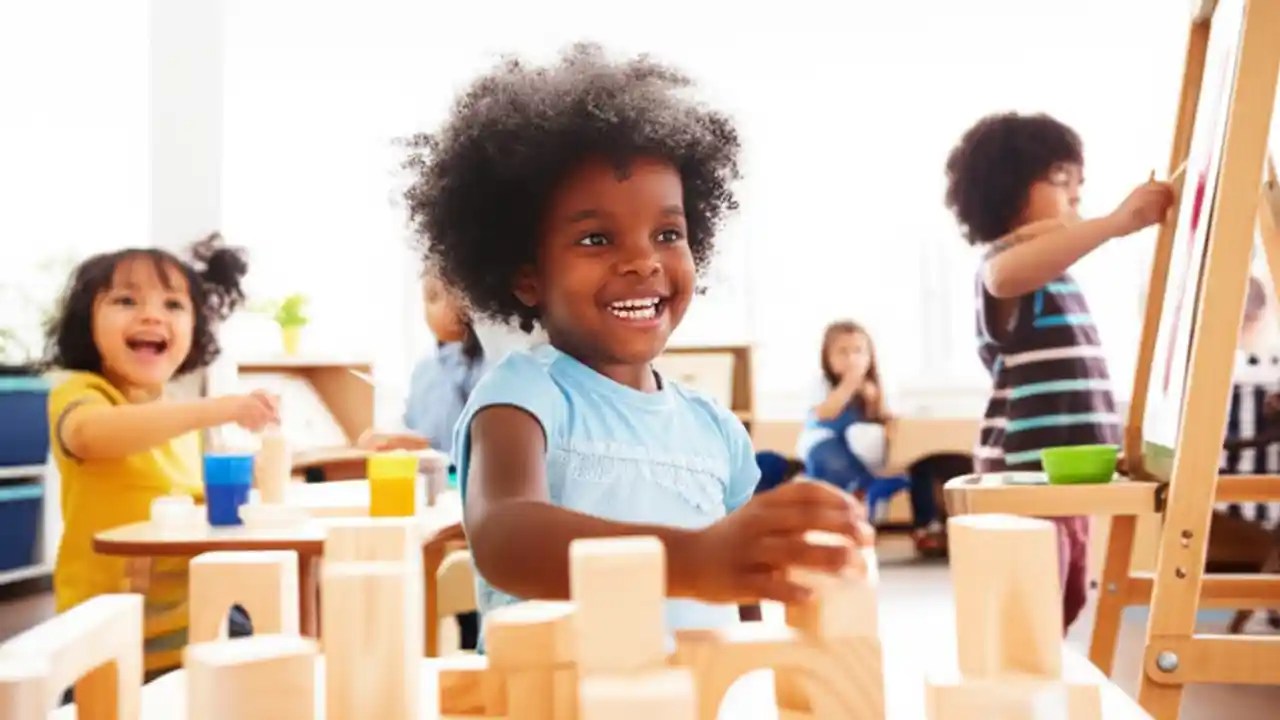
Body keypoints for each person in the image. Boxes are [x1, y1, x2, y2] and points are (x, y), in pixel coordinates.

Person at [401, 43, 872, 647]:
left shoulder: (716, 429)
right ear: (527, 275)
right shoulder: (521, 398)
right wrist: (696, 559)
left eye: (668, 233)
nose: (644, 262)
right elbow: (506, 538)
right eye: (597, 238)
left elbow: (741, 594)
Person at [943, 111, 1174, 632]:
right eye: (1059, 180)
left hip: (1068, 474)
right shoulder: (1005, 263)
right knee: (1027, 605)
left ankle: (1039, 678)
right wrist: (1116, 224)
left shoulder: (1058, 273)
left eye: (1080, 184)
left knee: (1065, 597)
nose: (1075, 195)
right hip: (1023, 473)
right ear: (1006, 189)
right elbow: (1004, 276)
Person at [42, 233, 278, 679]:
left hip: (192, 625)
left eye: (173, 305)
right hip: (108, 636)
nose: (152, 314)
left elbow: (187, 507)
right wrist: (217, 409)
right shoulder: (83, 393)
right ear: (84, 323)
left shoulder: (172, 416)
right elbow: (91, 436)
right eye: (126, 301)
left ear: (195, 330)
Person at [357, 266, 486, 649]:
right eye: (427, 299)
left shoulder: (494, 365)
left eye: (440, 296)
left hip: (471, 494)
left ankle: (470, 631)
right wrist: (400, 442)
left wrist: (426, 447)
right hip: (432, 496)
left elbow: (475, 441)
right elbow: (421, 433)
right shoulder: (425, 369)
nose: (432, 310)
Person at [797, 320, 945, 554]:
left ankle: (927, 527)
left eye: (858, 351)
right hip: (827, 447)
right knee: (829, 455)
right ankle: (858, 502)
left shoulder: (878, 384)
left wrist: (874, 399)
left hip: (867, 452)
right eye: (842, 352)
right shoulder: (822, 383)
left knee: (920, 470)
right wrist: (848, 385)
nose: (851, 358)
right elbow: (825, 413)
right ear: (827, 358)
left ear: (870, 356)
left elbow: (886, 418)